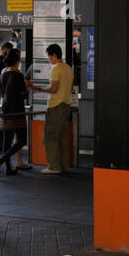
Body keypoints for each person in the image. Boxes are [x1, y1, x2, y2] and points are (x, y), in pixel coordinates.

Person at [28, 43, 73, 174]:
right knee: (63, 137)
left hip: (55, 106)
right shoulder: (68, 68)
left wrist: (39, 88)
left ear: (53, 55)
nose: (49, 59)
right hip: (66, 105)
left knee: (50, 137)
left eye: (49, 56)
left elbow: (54, 89)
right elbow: (69, 89)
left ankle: (54, 166)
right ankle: (64, 165)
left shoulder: (56, 69)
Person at [0, 48, 29, 175]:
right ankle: (1, 160)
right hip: (18, 112)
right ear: (18, 61)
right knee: (22, 140)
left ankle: (8, 168)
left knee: (7, 141)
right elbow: (24, 94)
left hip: (5, 111)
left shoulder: (2, 74)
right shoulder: (18, 75)